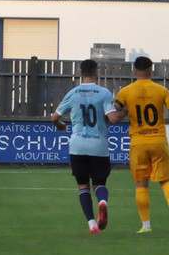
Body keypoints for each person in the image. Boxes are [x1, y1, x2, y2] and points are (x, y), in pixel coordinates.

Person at [114, 56, 169, 234]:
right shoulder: (161, 90)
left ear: (134, 71)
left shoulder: (125, 92)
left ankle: (146, 226)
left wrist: (125, 110)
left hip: (138, 143)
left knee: (141, 185)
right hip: (158, 141)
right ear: (151, 71)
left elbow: (115, 113)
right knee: (166, 181)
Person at [51, 59, 123, 235]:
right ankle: (102, 202)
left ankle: (92, 224)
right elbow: (113, 119)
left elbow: (54, 117)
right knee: (99, 183)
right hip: (98, 145)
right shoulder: (104, 93)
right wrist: (124, 111)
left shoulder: (73, 93)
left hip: (78, 146)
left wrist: (60, 125)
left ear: (81, 73)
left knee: (83, 186)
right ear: (97, 71)